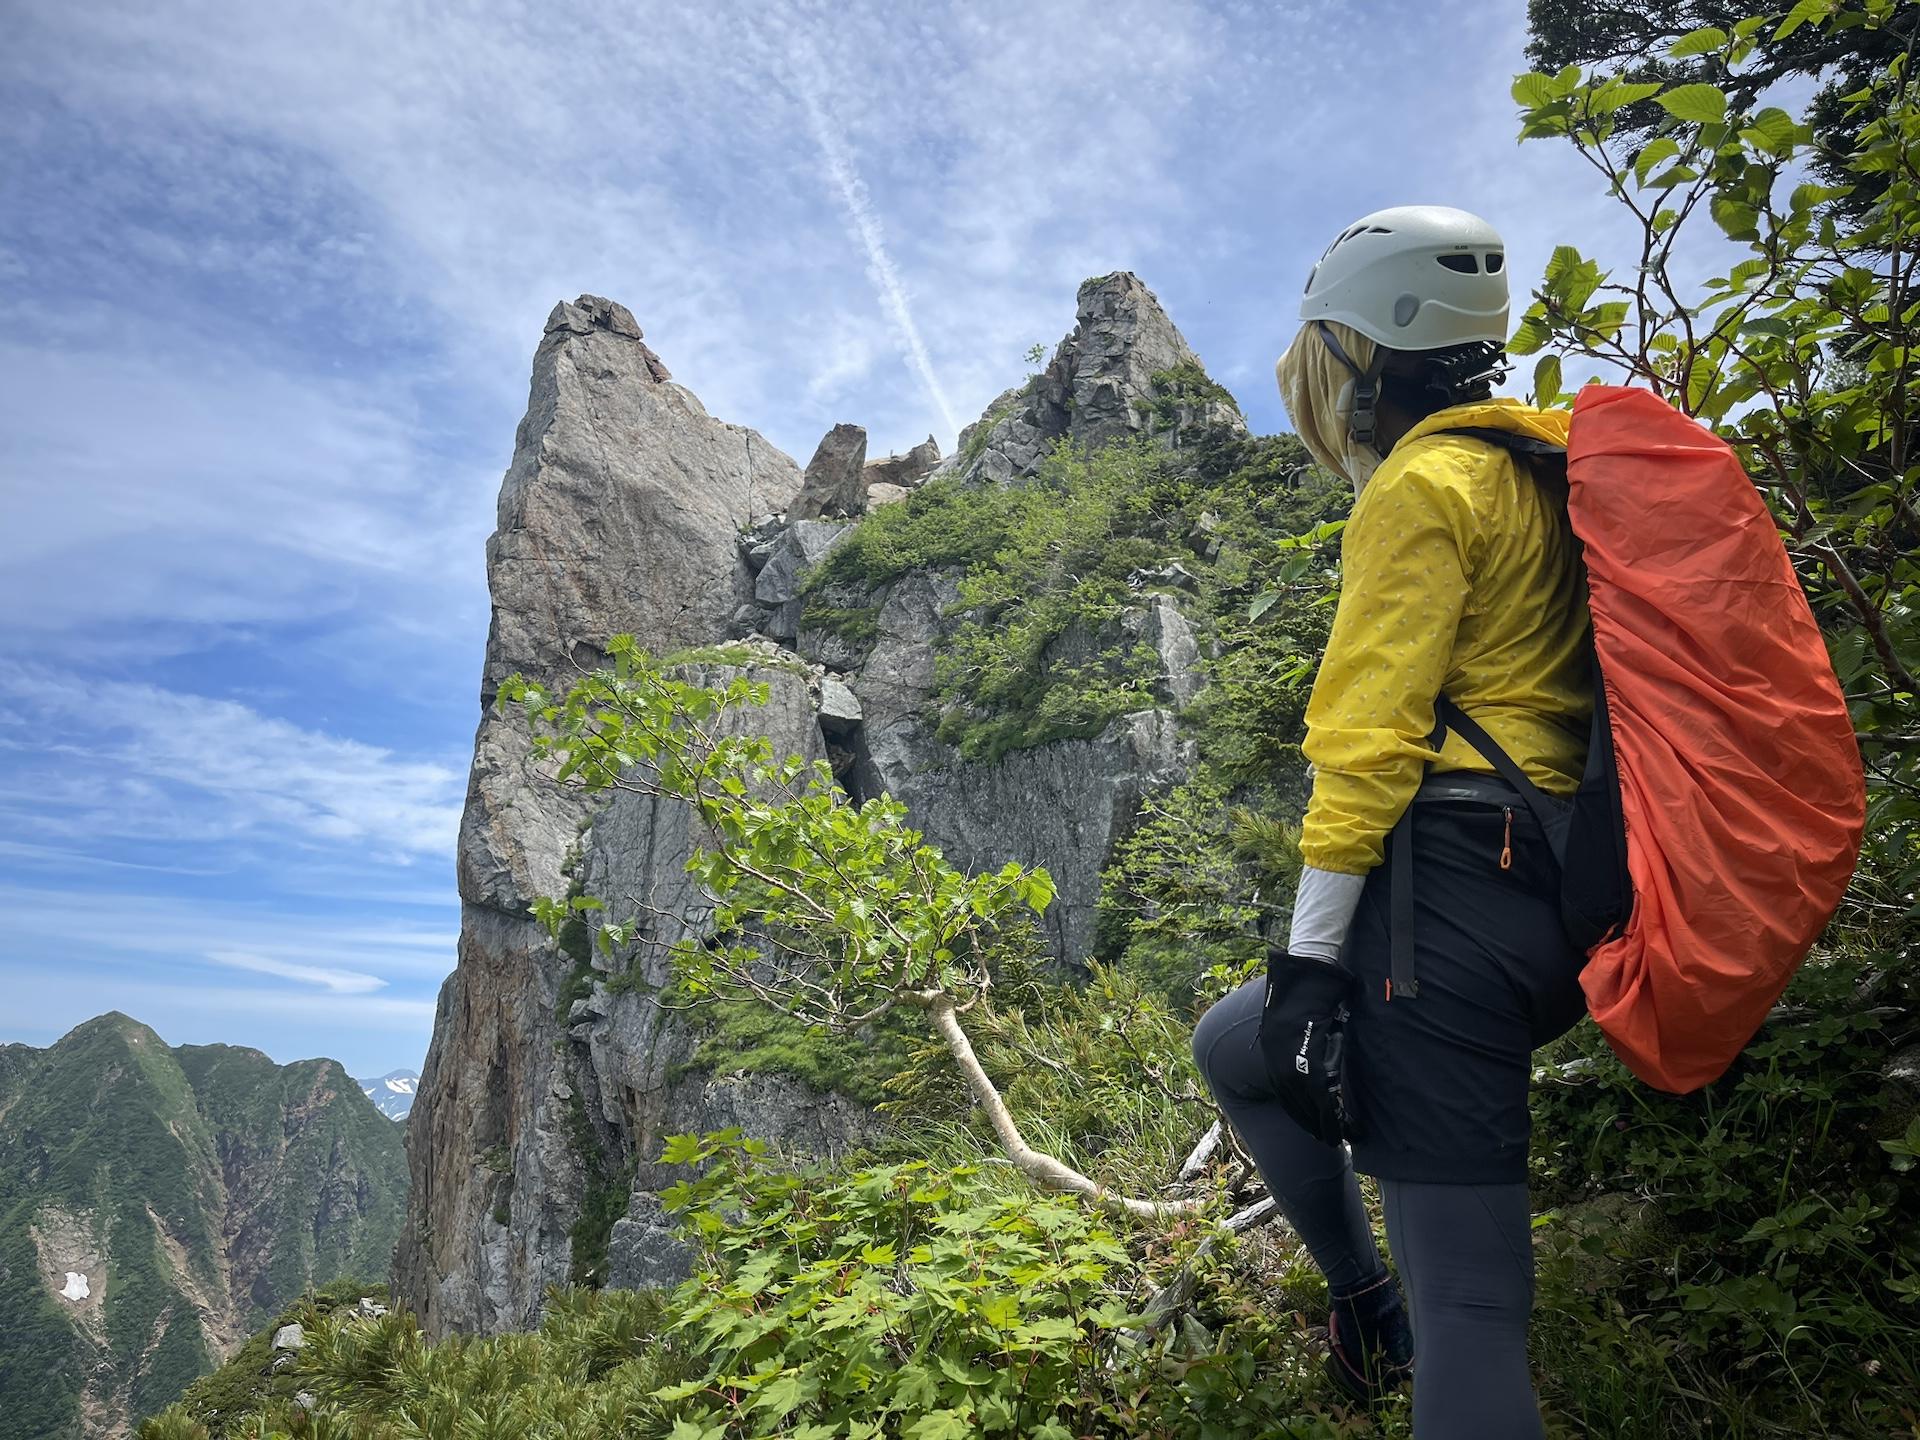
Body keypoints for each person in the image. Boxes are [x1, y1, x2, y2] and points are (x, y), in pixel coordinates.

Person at [1191, 205, 1592, 1438]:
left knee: (1469, 1312)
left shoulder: (1422, 485)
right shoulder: (1541, 465)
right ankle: (1365, 1299)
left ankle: (1401, 1316)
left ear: (1360, 353)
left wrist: (1313, 965)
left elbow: (1366, 748)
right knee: (1233, 1046)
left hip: (1447, 911)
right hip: (1563, 889)